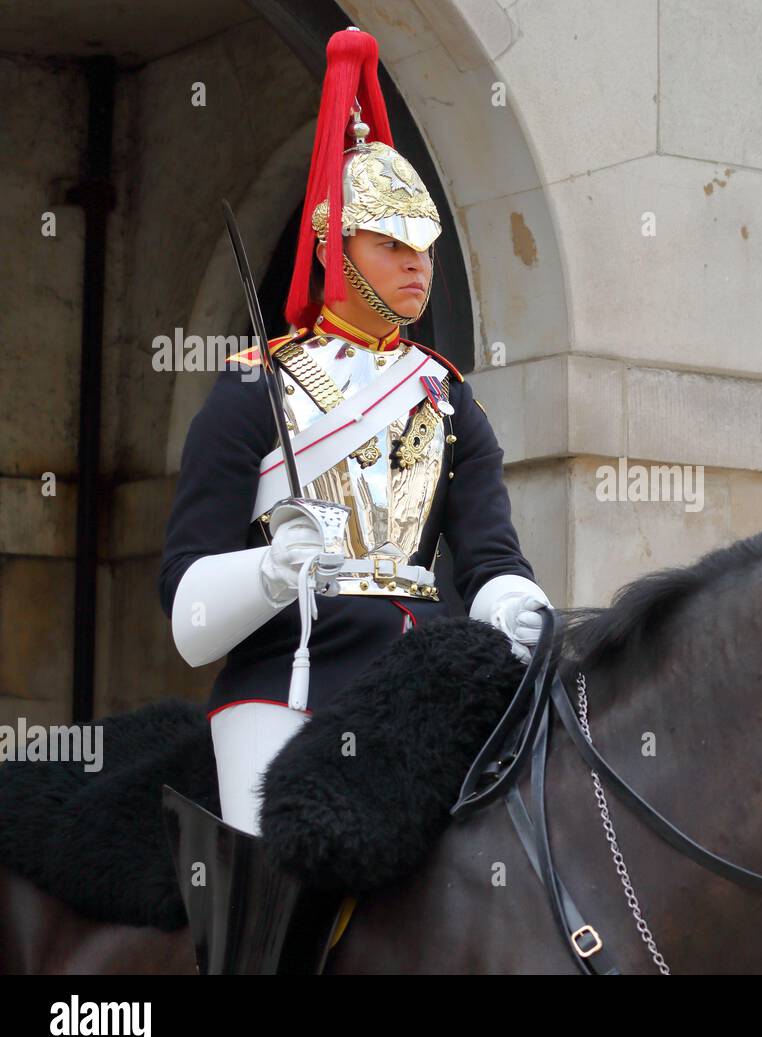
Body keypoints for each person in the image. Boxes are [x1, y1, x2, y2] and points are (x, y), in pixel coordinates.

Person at [157, 26, 551, 973]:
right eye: (392, 244)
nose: (420, 264)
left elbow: (489, 554)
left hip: (419, 678)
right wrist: (268, 568)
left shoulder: (449, 398)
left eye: (427, 246)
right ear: (337, 246)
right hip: (284, 683)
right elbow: (185, 618)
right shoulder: (256, 389)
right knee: (267, 903)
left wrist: (517, 606)